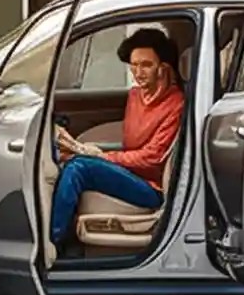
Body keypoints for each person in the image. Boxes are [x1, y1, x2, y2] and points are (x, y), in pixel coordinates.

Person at [50, 28, 184, 255]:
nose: (138, 72)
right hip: (131, 174)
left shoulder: (176, 104)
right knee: (67, 158)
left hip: (151, 187)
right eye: (134, 65)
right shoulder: (135, 96)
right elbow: (131, 147)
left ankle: (53, 242)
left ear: (164, 68)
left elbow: (152, 158)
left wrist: (102, 157)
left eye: (146, 65)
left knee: (79, 167)